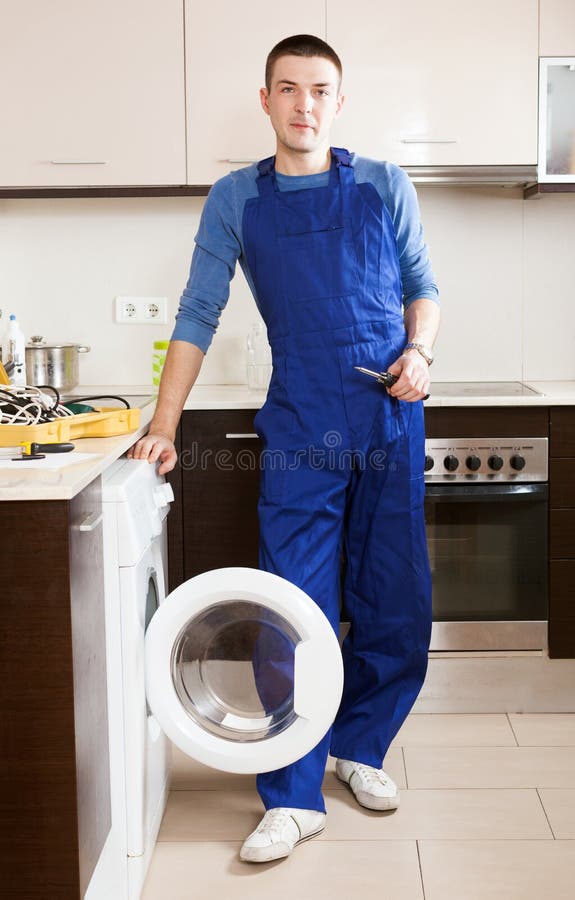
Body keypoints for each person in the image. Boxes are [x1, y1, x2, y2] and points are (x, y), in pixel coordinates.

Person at [129, 34, 440, 864]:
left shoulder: (383, 182)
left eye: (320, 89)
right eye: (288, 89)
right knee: (290, 611)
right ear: (265, 100)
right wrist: (163, 424)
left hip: (387, 416)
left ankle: (360, 748)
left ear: (340, 102)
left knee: (394, 598)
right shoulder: (236, 198)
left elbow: (423, 288)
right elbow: (198, 311)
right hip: (302, 421)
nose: (304, 103)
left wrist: (420, 354)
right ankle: (292, 793)